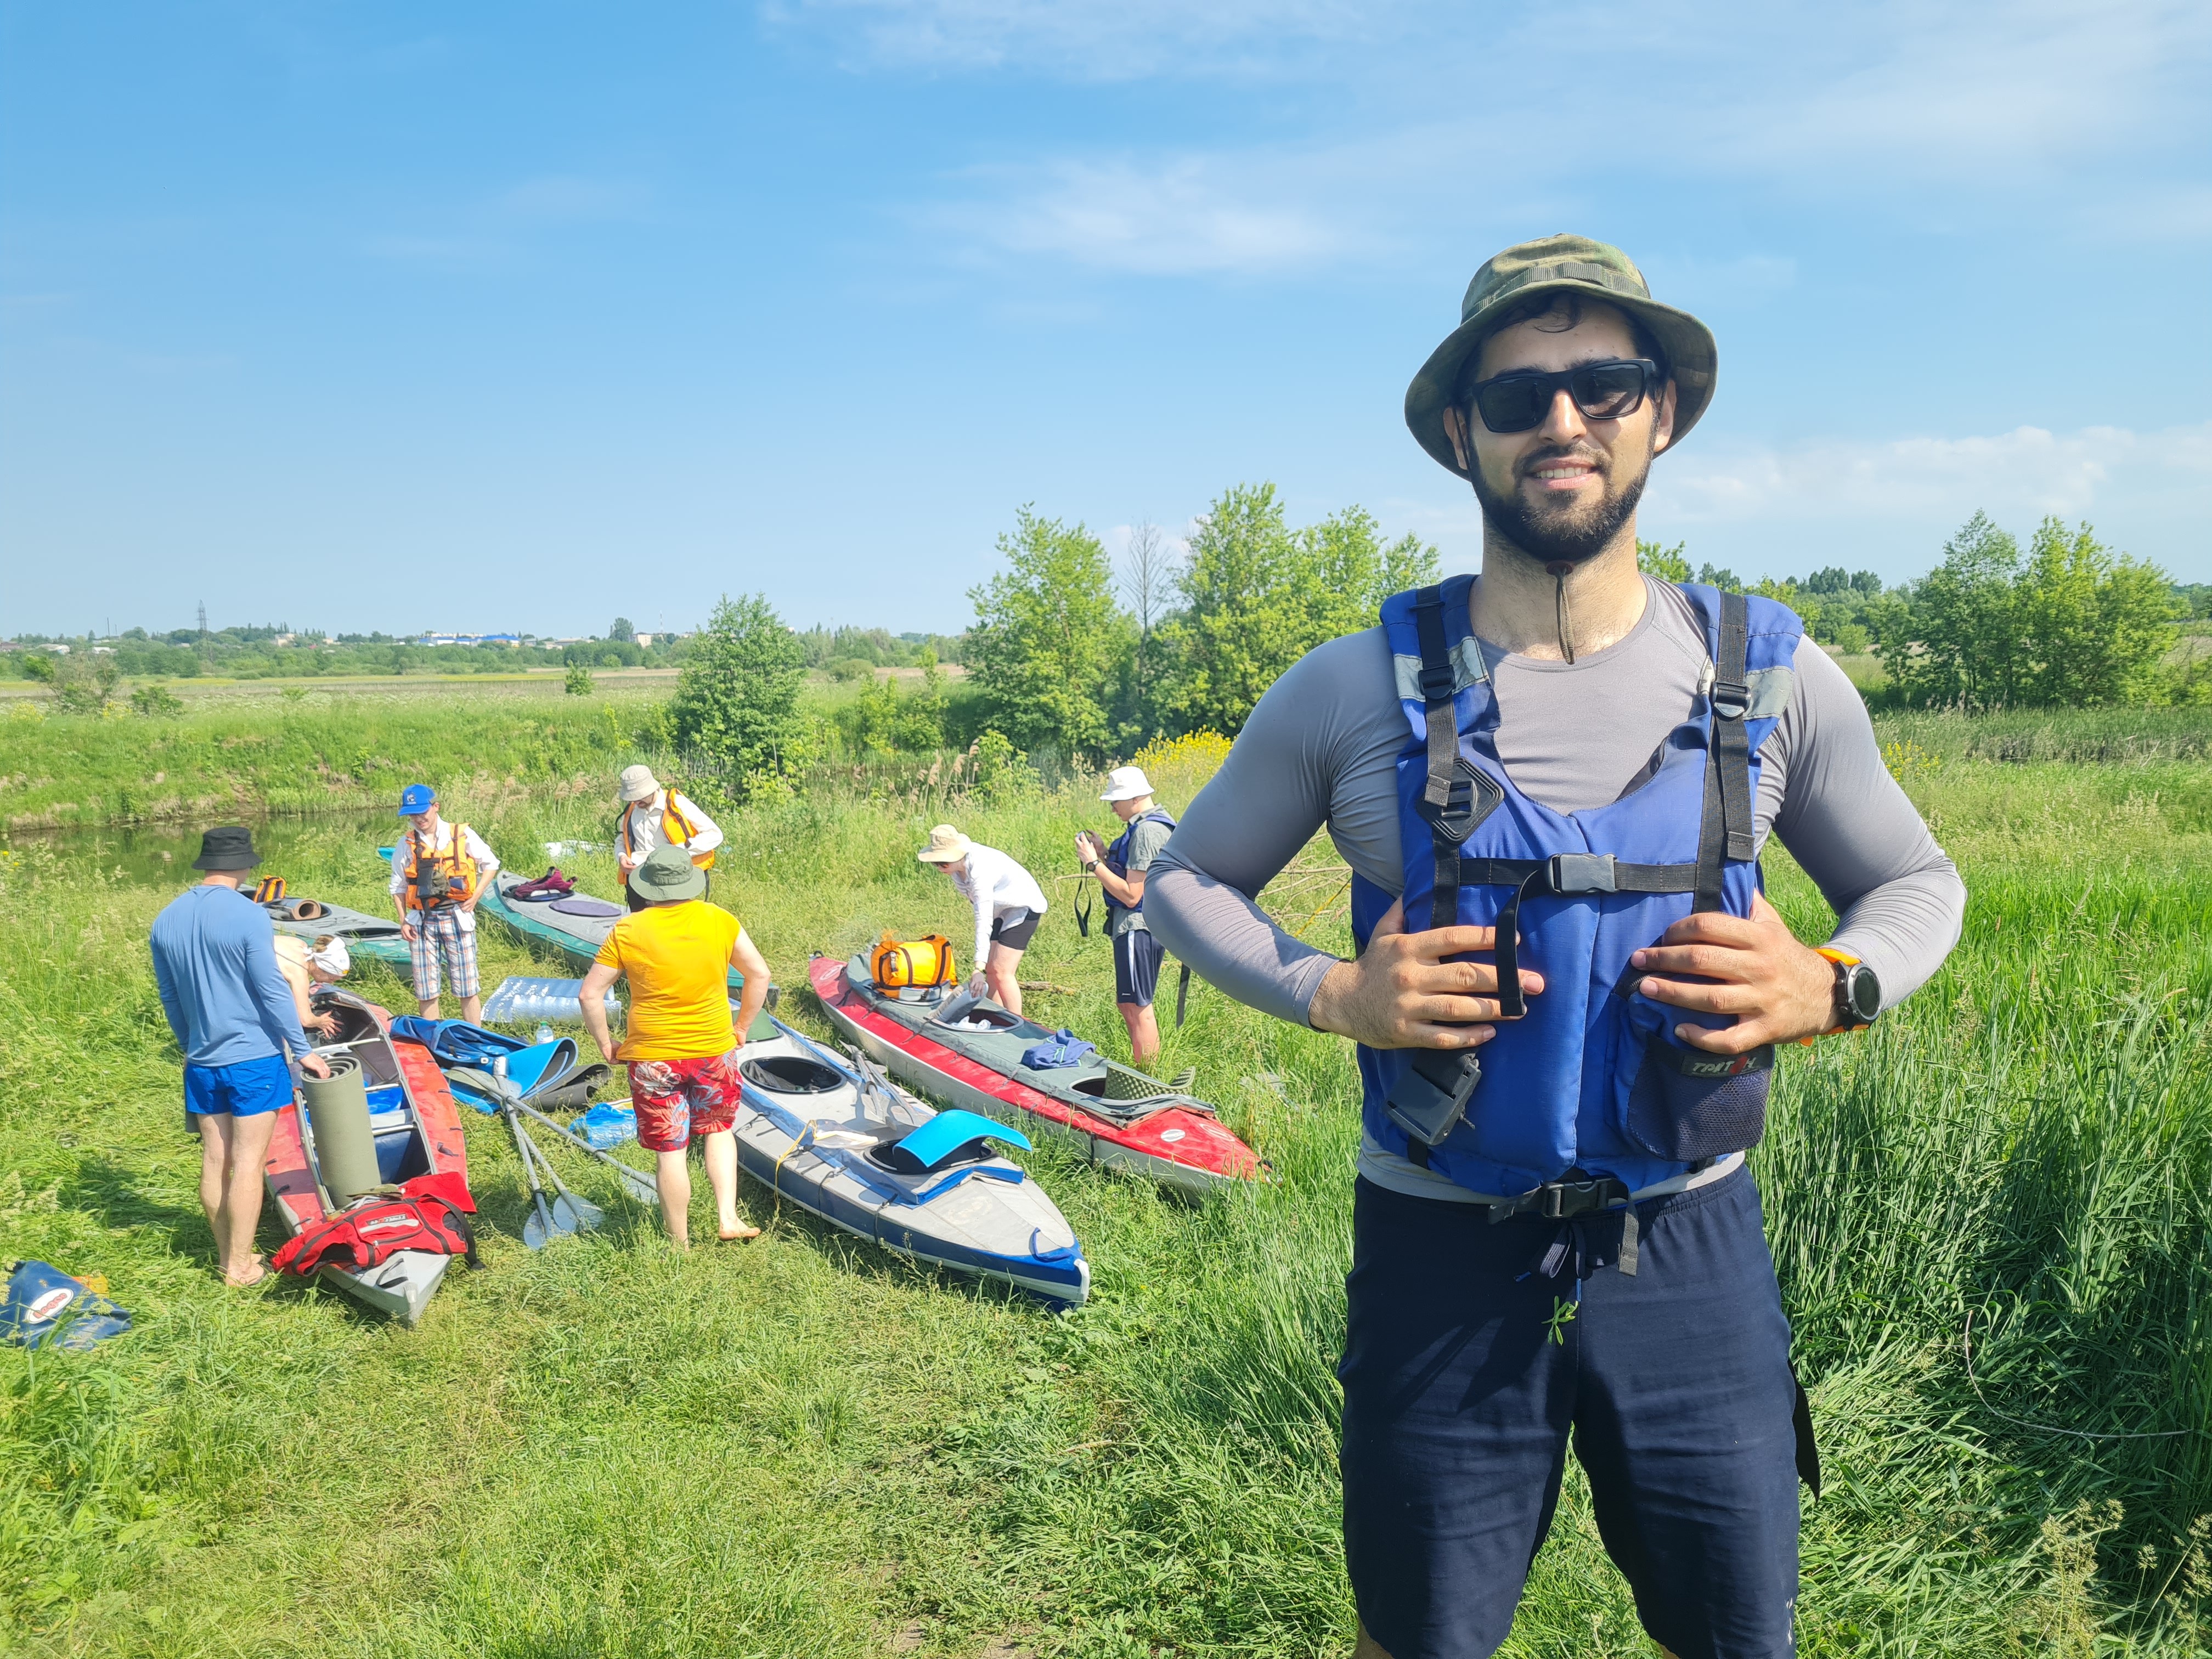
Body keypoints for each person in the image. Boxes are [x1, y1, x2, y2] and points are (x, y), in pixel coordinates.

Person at [1146, 234, 1966, 1659]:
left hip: (1692, 1244)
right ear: (1460, 432)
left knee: (1738, 1635)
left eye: (1606, 383)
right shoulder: (1352, 690)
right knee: (1431, 1637)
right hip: (1439, 1250)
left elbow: (1916, 880)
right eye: (1520, 397)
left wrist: (1834, 985)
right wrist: (1333, 991)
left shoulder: (1768, 677)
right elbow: (1183, 882)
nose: (1565, 421)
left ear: (1663, 413)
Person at [149, 826, 332, 1286]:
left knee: (216, 1159)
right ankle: (240, 1266)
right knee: (250, 1162)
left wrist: (191, 1046)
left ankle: (224, 1255)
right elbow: (273, 991)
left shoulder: (164, 919)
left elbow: (170, 996)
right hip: (253, 1058)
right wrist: (303, 1050)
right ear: (245, 865)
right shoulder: (249, 916)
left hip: (202, 1061)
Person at [579, 842, 771, 1249]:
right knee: (718, 1130)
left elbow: (589, 995)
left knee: (671, 1151)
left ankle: (679, 1246)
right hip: (713, 1050)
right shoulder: (720, 920)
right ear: (693, 883)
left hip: (652, 1058)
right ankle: (728, 1218)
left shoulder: (629, 929)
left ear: (648, 888)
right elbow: (760, 975)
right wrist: (742, 1028)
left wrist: (606, 1045)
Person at [1075, 765, 1177, 1066]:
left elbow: (1133, 894)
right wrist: (1106, 855)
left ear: (1133, 798)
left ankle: (1148, 1075)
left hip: (1139, 927)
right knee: (1128, 1004)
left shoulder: (1147, 831)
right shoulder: (1148, 825)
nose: (1112, 808)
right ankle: (1143, 1068)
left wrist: (1094, 864)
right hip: (1138, 927)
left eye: (1115, 801)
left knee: (1138, 1005)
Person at [387, 783, 498, 1023]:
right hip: (421, 921)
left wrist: (476, 895)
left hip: (457, 916)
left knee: (467, 985)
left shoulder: (461, 834)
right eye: (412, 814)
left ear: (435, 807)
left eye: (422, 812)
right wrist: (403, 919)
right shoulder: (405, 844)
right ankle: (432, 1039)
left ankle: (475, 1037)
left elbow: (491, 863)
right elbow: (398, 886)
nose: (418, 819)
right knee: (426, 988)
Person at [916, 825, 1048, 1017]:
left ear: (958, 855)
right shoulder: (956, 869)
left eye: (943, 863)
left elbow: (983, 919)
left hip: (1023, 906)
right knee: (991, 971)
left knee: (1002, 971)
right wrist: (982, 966)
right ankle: (999, 1018)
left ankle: (1019, 1027)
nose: (939, 868)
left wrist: (977, 968)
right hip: (998, 907)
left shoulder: (981, 870)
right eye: (935, 863)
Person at [614, 764, 723, 910]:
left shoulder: (676, 804)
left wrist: (679, 852)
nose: (636, 801)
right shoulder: (632, 810)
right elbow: (621, 840)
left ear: (652, 788)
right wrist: (621, 857)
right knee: (643, 928)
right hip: (640, 882)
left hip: (673, 883)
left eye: (640, 796)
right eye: (632, 798)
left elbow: (714, 835)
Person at [273, 934, 350, 1040]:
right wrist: (321, 1022)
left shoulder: (299, 944)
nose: (331, 983)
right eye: (332, 979)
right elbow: (306, 1020)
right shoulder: (300, 974)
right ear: (320, 968)